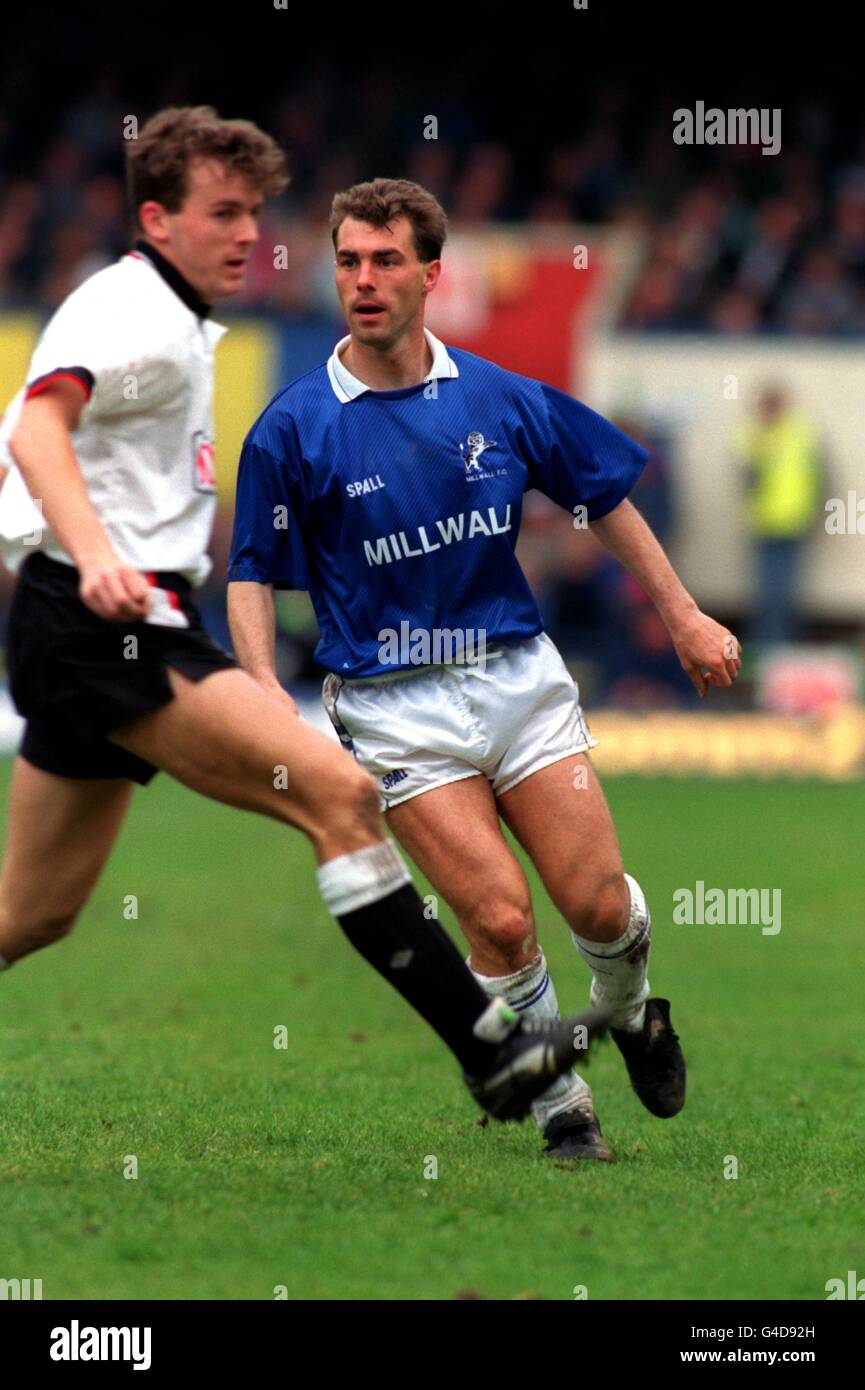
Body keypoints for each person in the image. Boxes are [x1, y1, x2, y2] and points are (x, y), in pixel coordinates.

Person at [0, 116, 601, 1127]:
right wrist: (98, 553)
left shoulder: (176, 316)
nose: (248, 234)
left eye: (255, 212)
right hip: (105, 621)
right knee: (334, 790)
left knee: (31, 914)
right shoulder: (131, 309)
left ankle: (492, 1053)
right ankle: (490, 1051)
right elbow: (35, 427)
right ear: (157, 218)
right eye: (223, 213)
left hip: (106, 621)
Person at [227, 178, 742, 1164]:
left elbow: (601, 493)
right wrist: (259, 692)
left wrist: (679, 611)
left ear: (431, 273)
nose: (364, 280)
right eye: (348, 261)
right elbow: (251, 571)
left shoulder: (499, 396)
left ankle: (630, 1012)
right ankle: (564, 1110)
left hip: (516, 679)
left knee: (597, 905)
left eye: (385, 261)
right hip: (393, 708)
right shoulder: (292, 428)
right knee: (500, 920)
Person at [736, 384, 823, 645]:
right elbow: (747, 473)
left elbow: (819, 474)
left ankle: (778, 642)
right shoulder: (757, 433)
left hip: (793, 521)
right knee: (768, 590)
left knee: (782, 590)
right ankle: (770, 642)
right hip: (765, 522)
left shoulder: (799, 431)